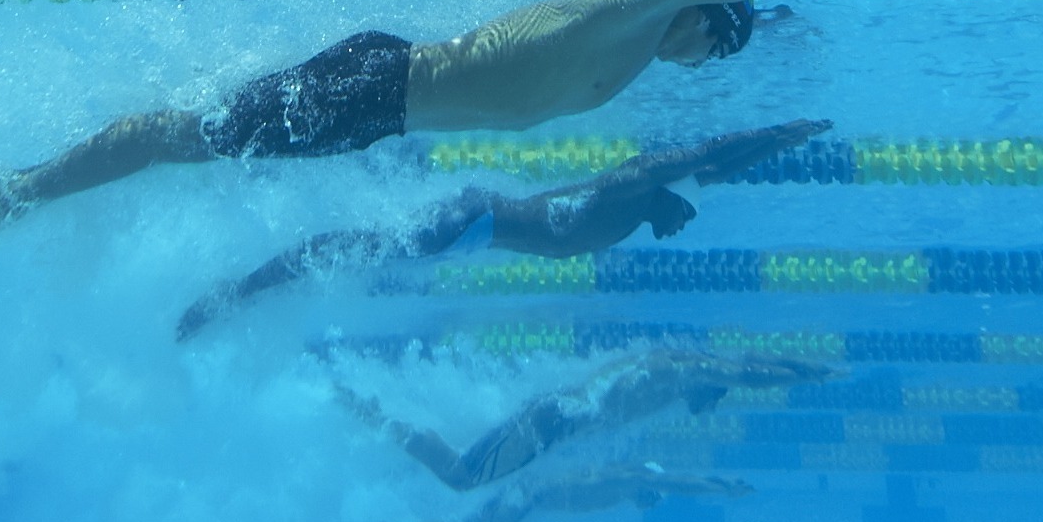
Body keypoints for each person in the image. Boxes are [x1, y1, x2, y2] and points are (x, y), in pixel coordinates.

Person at [0, 0, 937, 269]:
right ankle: (15, 189)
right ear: (703, 23)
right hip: (379, 84)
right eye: (712, 52)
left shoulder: (638, 46)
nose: (701, 70)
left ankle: (24, 189)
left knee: (201, 144)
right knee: (189, 137)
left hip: (376, 107)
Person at [174, 118, 833, 338]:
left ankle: (240, 290)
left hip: (471, 225)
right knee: (342, 251)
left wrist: (770, 150)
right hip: (471, 221)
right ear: (665, 194)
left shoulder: (642, 208)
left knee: (351, 253)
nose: (685, 224)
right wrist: (782, 134)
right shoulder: (633, 185)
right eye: (684, 210)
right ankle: (234, 293)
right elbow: (706, 158)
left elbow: (710, 173)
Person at [337, 341, 839, 494]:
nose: (713, 406)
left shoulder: (679, 374)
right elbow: (743, 372)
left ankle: (377, 412)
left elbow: (746, 366)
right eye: (718, 395)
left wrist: (792, 367)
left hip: (553, 421)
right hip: (552, 421)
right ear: (714, 380)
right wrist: (806, 375)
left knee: (464, 469)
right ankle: (372, 411)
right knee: (461, 476)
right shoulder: (683, 369)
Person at [357, 461, 754, 522]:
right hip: (528, 495)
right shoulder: (632, 477)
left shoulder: (622, 490)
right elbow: (677, 483)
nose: (648, 503)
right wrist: (721, 488)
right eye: (652, 496)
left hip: (529, 499)